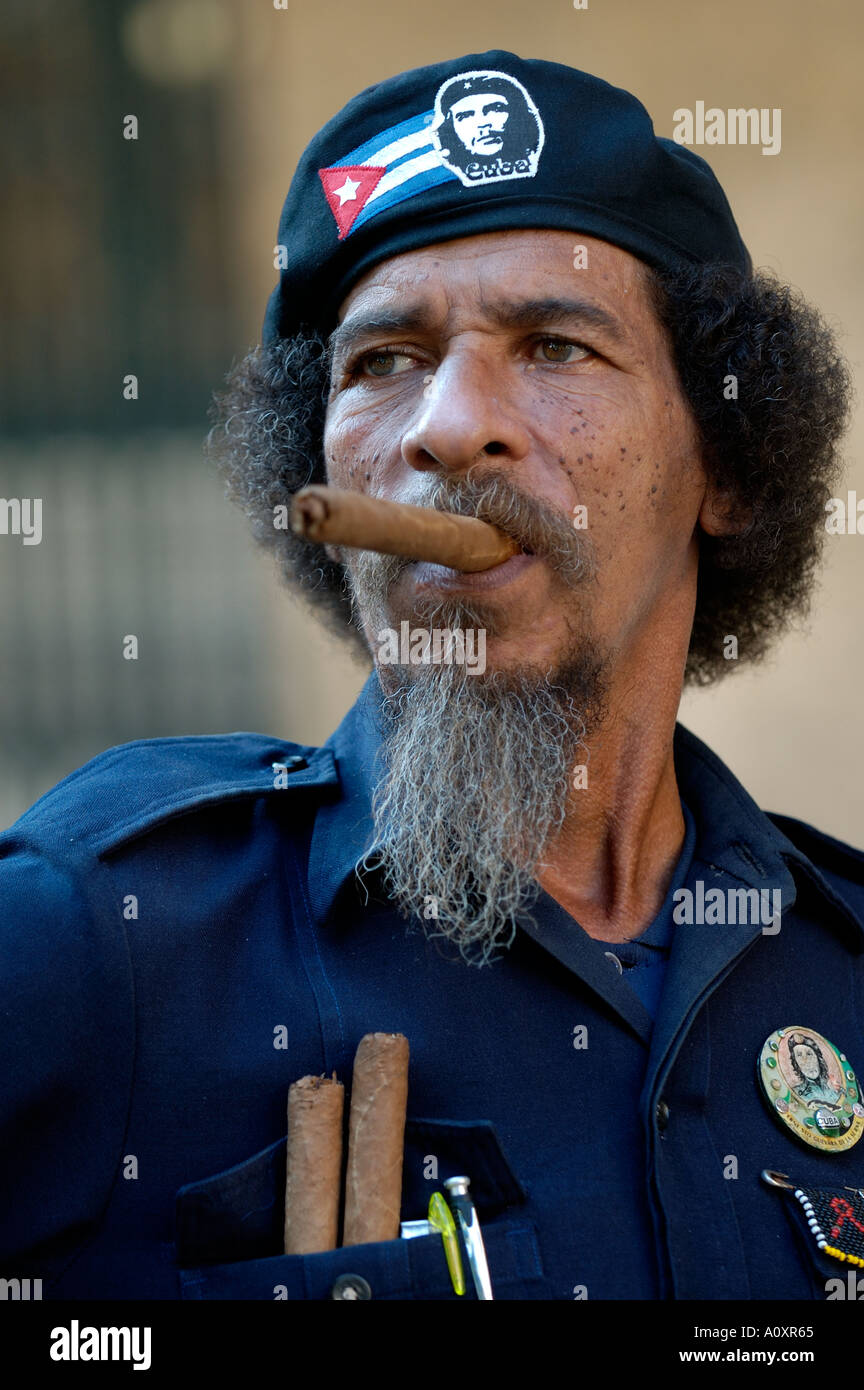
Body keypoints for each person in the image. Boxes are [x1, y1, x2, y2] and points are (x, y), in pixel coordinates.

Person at [2, 49, 862, 1302]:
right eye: (384, 360)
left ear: (724, 466)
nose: (446, 426)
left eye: (556, 345)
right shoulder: (101, 934)